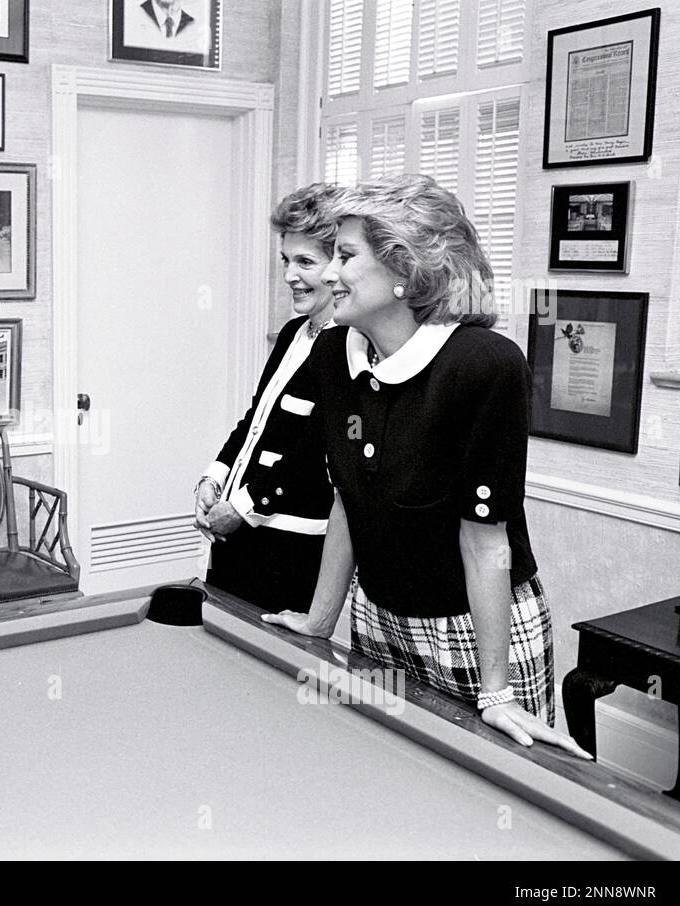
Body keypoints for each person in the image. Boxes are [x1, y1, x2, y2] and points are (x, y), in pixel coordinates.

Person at [263, 175, 588, 758]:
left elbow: (486, 542)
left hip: (474, 629)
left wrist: (496, 693)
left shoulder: (485, 364)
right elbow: (348, 500)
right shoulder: (332, 354)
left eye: (344, 255)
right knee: (384, 770)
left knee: (494, 792)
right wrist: (319, 621)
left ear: (405, 272)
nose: (327, 274)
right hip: (377, 618)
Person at [194, 184, 340, 613]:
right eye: (286, 260)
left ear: (340, 267)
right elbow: (255, 419)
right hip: (238, 527)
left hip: (290, 545)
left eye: (305, 262)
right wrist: (214, 478)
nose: (290, 275)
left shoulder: (349, 346)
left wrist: (239, 507)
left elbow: (314, 448)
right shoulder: (295, 332)